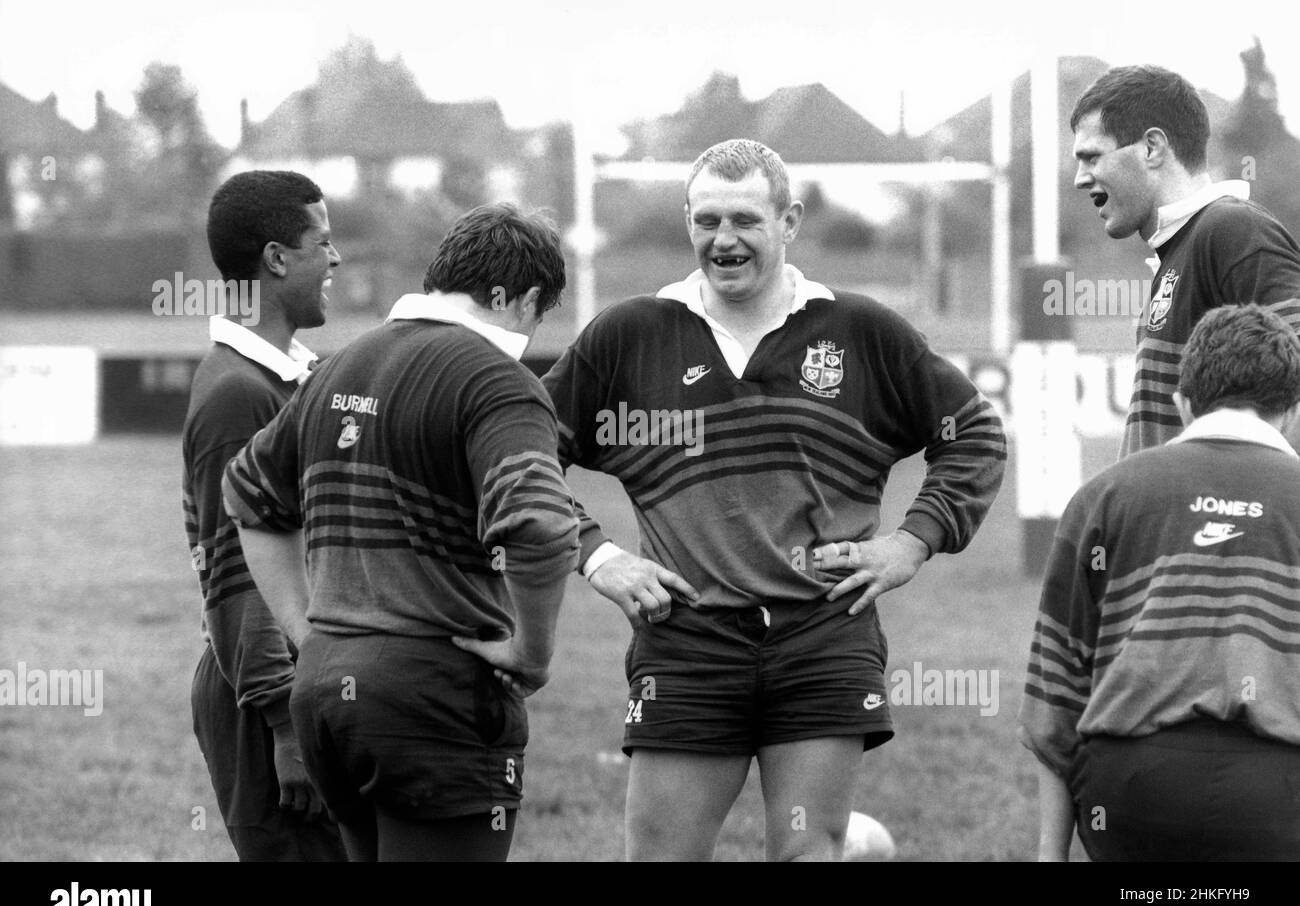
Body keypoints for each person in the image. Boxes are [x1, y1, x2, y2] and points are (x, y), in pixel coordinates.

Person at [541, 139, 1007, 861]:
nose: (723, 240)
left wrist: (912, 541)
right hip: (688, 639)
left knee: (806, 853)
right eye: (706, 220)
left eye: (745, 221)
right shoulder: (630, 336)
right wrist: (597, 556)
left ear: (788, 222)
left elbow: (973, 433)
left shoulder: (860, 332)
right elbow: (520, 451)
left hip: (823, 635)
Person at [222, 203, 579, 862]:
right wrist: (531, 653)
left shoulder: (338, 367)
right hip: (432, 689)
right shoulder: (499, 382)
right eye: (538, 313)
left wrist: (308, 634)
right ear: (518, 297)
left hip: (327, 690)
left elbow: (247, 496)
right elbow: (539, 526)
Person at [1020, 302, 1300, 861]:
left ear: (1182, 404)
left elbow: (1054, 701)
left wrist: (1051, 856)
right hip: (1279, 795)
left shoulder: (1103, 496)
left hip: (1130, 793)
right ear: (1292, 411)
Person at [182, 169, 346, 860]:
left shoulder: (288, 377)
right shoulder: (236, 394)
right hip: (266, 697)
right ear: (277, 259)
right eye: (322, 242)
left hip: (307, 680)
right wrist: (285, 722)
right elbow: (233, 571)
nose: (335, 258)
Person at [1069, 64, 1300, 457]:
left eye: (1092, 157)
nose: (1080, 177)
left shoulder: (1233, 230)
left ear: (1152, 148)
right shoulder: (1183, 245)